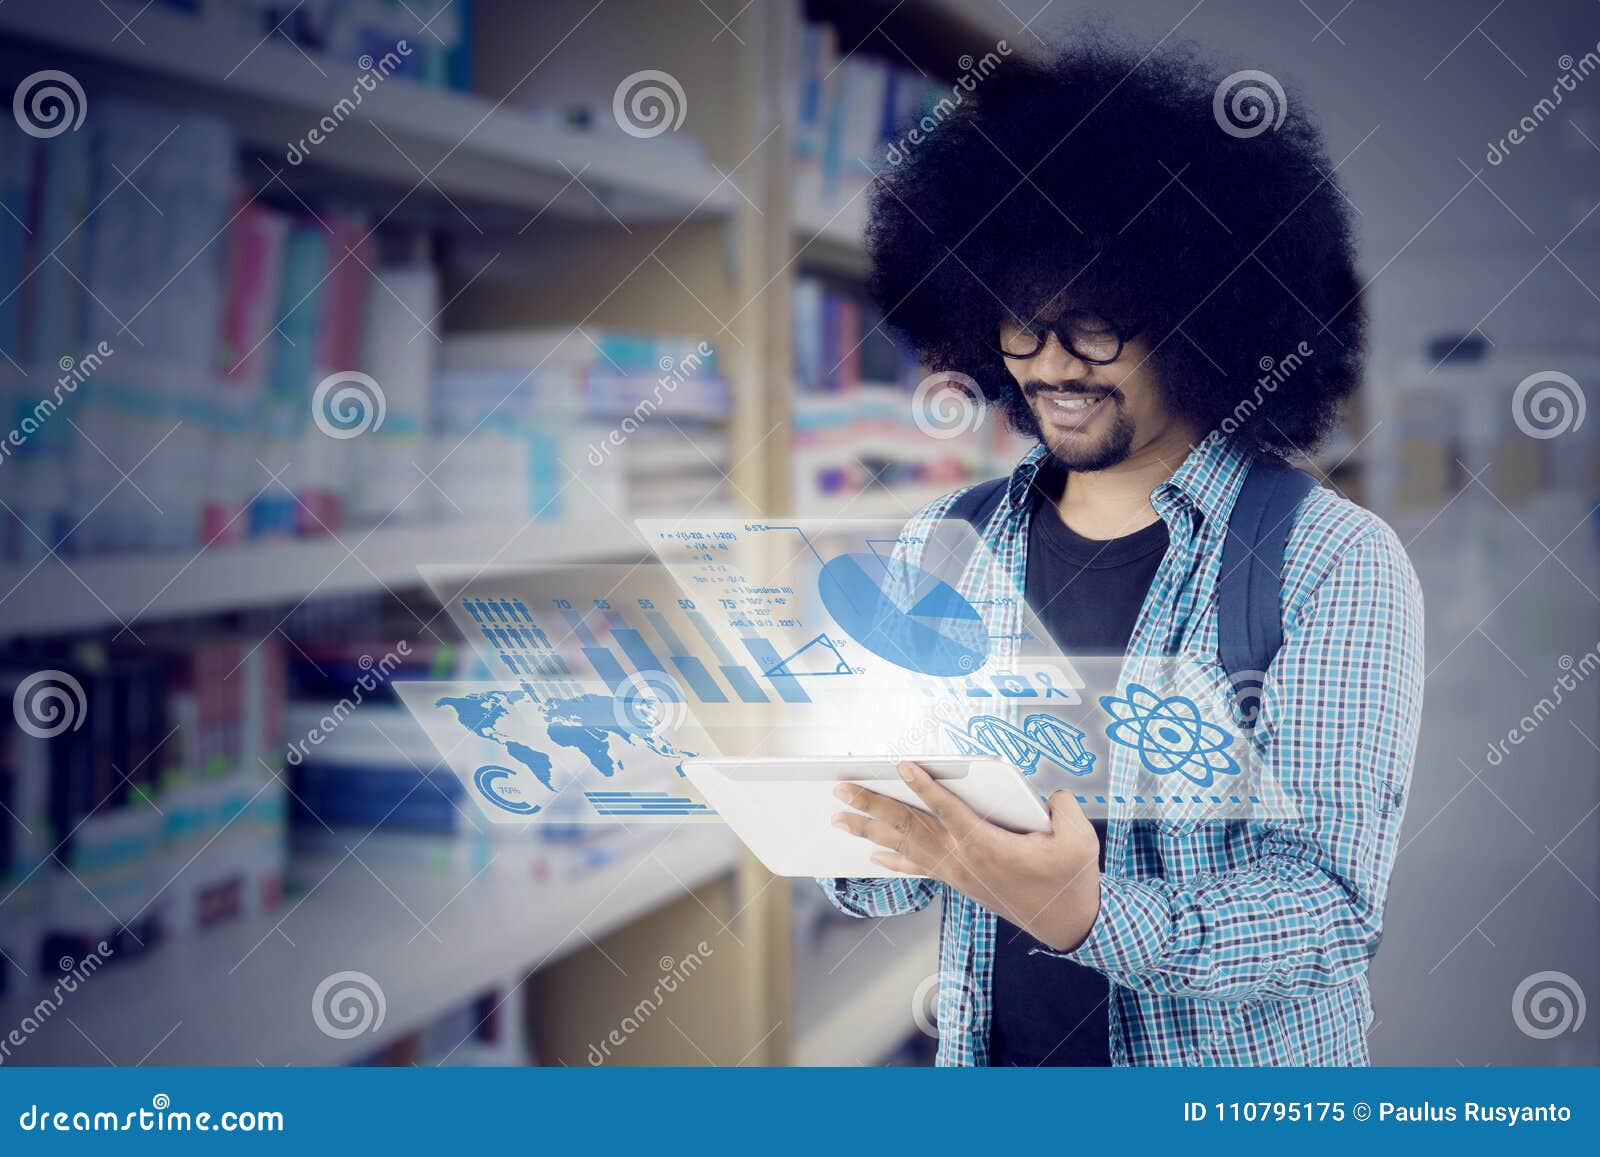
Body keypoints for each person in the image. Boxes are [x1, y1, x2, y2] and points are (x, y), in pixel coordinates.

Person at [823, 41, 1424, 1067]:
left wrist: (1084, 910)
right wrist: (843, 801)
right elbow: (888, 875)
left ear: (1203, 314)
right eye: (1022, 318)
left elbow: (1324, 906)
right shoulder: (947, 541)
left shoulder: (1332, 560)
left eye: (1096, 321)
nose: (1053, 360)